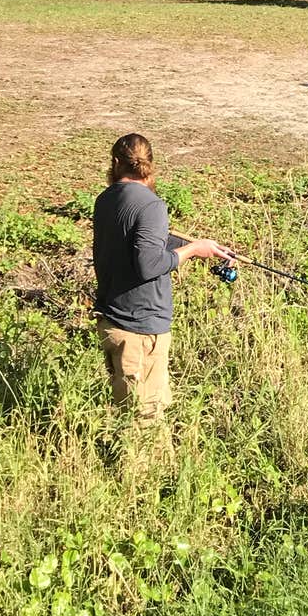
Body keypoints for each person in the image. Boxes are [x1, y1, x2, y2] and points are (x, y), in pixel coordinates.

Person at [92, 133, 230, 423]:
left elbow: (138, 243)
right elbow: (148, 264)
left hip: (113, 322)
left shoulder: (105, 200)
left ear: (116, 163)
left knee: (127, 410)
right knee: (146, 418)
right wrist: (194, 250)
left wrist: (205, 246)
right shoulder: (151, 205)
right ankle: (146, 470)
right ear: (150, 163)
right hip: (141, 330)